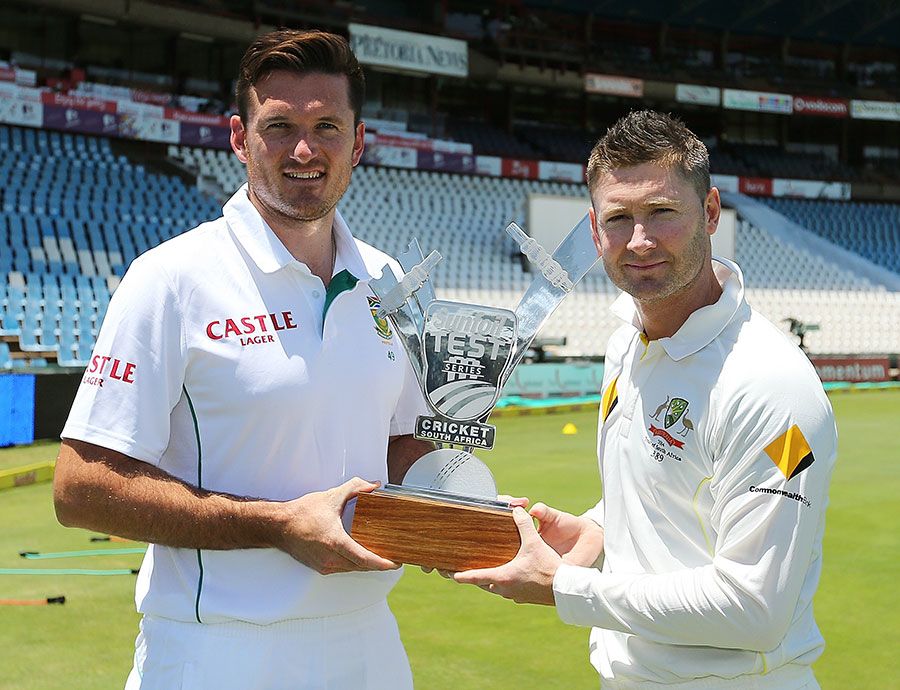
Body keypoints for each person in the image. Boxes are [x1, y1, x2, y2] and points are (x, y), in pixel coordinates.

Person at [53, 29, 432, 690]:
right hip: (217, 652)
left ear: (359, 141)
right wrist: (277, 526)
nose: (305, 150)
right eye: (279, 126)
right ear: (238, 137)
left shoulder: (386, 277)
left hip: (371, 644)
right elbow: (82, 488)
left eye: (327, 127)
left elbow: (403, 443)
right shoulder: (171, 277)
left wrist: (467, 503)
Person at [454, 110, 837, 689]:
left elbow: (756, 610)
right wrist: (593, 532)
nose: (639, 240)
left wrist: (564, 587)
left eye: (662, 213)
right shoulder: (623, 347)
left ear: (710, 214)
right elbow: (671, 496)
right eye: (619, 218)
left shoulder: (770, 384)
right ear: (593, 229)